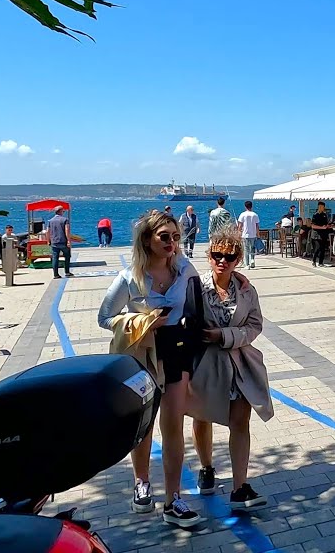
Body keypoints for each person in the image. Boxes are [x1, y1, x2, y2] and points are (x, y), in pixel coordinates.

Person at [97, 211, 201, 528]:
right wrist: (142, 322)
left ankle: (174, 499)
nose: (172, 242)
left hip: (176, 354)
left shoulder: (186, 270)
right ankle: (141, 482)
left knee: (173, 428)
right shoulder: (129, 278)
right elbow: (104, 318)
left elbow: (198, 307)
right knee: (142, 428)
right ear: (147, 239)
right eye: (164, 237)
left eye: (175, 236)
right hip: (141, 357)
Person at [189, 229, 275, 511]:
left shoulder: (247, 290)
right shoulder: (194, 286)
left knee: (241, 421)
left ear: (238, 258)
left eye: (229, 255)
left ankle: (239, 487)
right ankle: (207, 468)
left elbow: (254, 325)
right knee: (202, 418)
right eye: (217, 254)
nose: (222, 260)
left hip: (239, 363)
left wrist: (224, 336)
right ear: (208, 255)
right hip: (203, 364)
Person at [47, 207, 72, 279]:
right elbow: (67, 230)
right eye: (63, 211)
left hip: (54, 242)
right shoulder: (65, 220)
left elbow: (47, 231)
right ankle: (67, 272)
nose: (63, 212)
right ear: (60, 211)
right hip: (63, 241)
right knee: (67, 256)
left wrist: (48, 240)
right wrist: (68, 240)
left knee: (55, 258)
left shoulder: (50, 221)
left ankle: (56, 274)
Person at [236, 201, 260, 270]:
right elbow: (257, 226)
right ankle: (252, 259)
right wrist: (258, 234)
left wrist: (238, 233)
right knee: (252, 248)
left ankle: (247, 264)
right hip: (253, 234)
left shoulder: (242, 214)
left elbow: (240, 226)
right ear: (251, 206)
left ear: (245, 206)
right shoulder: (255, 215)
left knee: (246, 249)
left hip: (245, 234)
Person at [310, 202, 332, 268]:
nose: (321, 208)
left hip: (323, 234)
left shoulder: (324, 215)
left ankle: (321, 262)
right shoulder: (315, 215)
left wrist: (329, 226)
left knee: (323, 248)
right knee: (317, 247)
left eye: (322, 207)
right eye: (320, 207)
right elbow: (313, 226)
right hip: (316, 234)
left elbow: (326, 224)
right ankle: (314, 261)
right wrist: (321, 227)